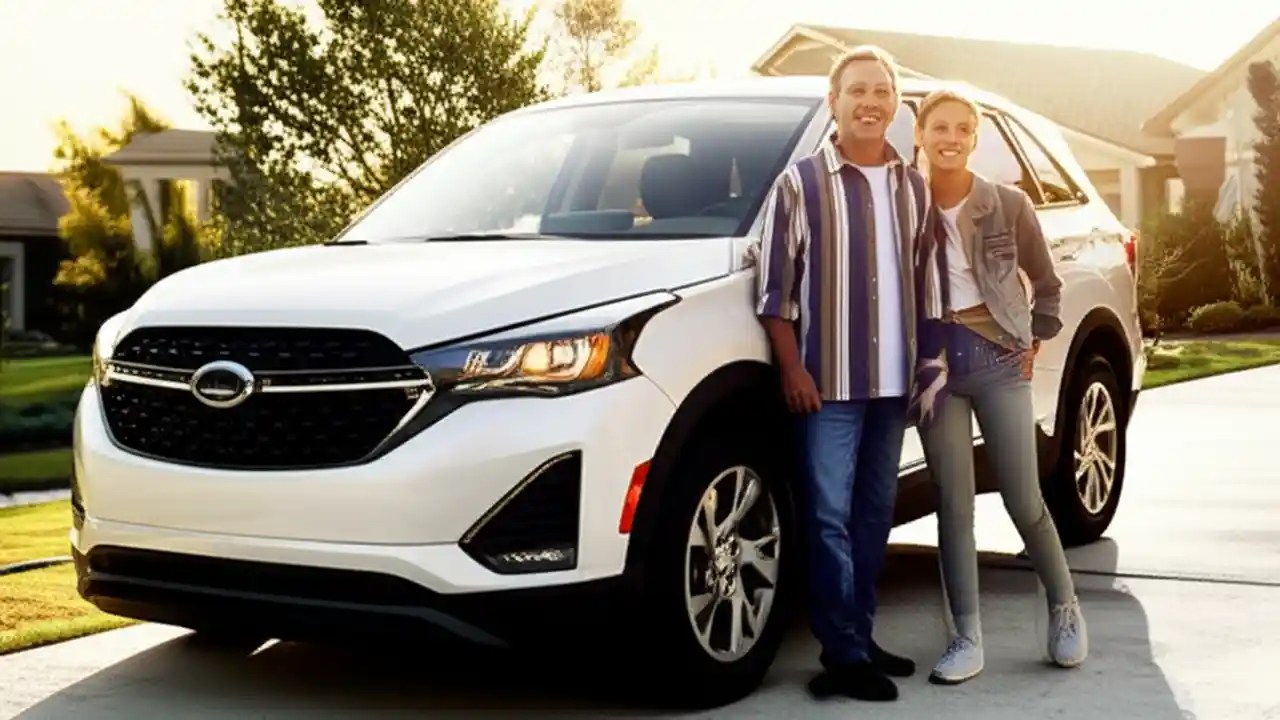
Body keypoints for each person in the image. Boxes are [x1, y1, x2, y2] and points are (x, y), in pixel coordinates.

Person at [755, 45, 927, 702]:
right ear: (834, 101)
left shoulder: (910, 187)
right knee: (827, 515)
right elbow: (775, 292)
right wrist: (792, 367)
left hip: (892, 386)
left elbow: (923, 283)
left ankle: (859, 633)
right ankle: (843, 653)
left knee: (874, 513)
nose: (870, 102)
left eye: (882, 91)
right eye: (857, 90)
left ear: (896, 104)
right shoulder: (799, 184)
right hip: (827, 385)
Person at [905, 88, 1088, 685]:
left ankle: (1064, 608)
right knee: (953, 506)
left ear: (975, 139)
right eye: (940, 128)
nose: (950, 138)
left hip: (999, 361)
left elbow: (1047, 281)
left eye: (962, 129)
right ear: (922, 134)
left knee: (1022, 498)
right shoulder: (904, 206)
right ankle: (966, 637)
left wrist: (1037, 335)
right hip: (934, 368)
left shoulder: (1007, 205)